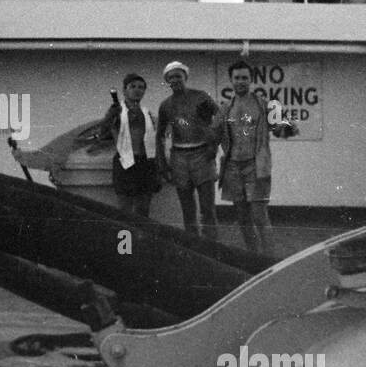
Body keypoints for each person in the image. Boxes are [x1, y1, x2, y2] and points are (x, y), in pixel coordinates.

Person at [155, 61, 221, 239]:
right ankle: (194, 247)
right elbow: (160, 135)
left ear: (186, 77)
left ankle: (212, 247)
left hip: (202, 155)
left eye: (178, 75)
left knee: (207, 207)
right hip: (179, 159)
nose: (175, 80)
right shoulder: (166, 105)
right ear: (167, 81)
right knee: (187, 209)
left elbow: (219, 119)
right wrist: (162, 163)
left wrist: (213, 145)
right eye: (171, 77)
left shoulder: (200, 97)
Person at [219, 59, 277, 257]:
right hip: (233, 168)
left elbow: (281, 128)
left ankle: (270, 260)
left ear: (251, 79)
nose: (241, 81)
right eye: (237, 78)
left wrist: (286, 124)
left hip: (256, 166)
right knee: (243, 218)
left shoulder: (264, 105)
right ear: (231, 80)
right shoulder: (225, 108)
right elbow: (212, 134)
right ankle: (254, 258)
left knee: (260, 216)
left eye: (245, 77)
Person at [103, 73, 161, 217]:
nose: (137, 90)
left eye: (141, 87)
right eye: (132, 86)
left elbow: (155, 140)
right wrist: (111, 116)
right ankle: (125, 240)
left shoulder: (147, 113)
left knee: (143, 210)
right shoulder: (117, 111)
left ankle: (140, 239)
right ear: (124, 90)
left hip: (146, 164)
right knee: (124, 210)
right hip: (125, 164)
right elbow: (103, 133)